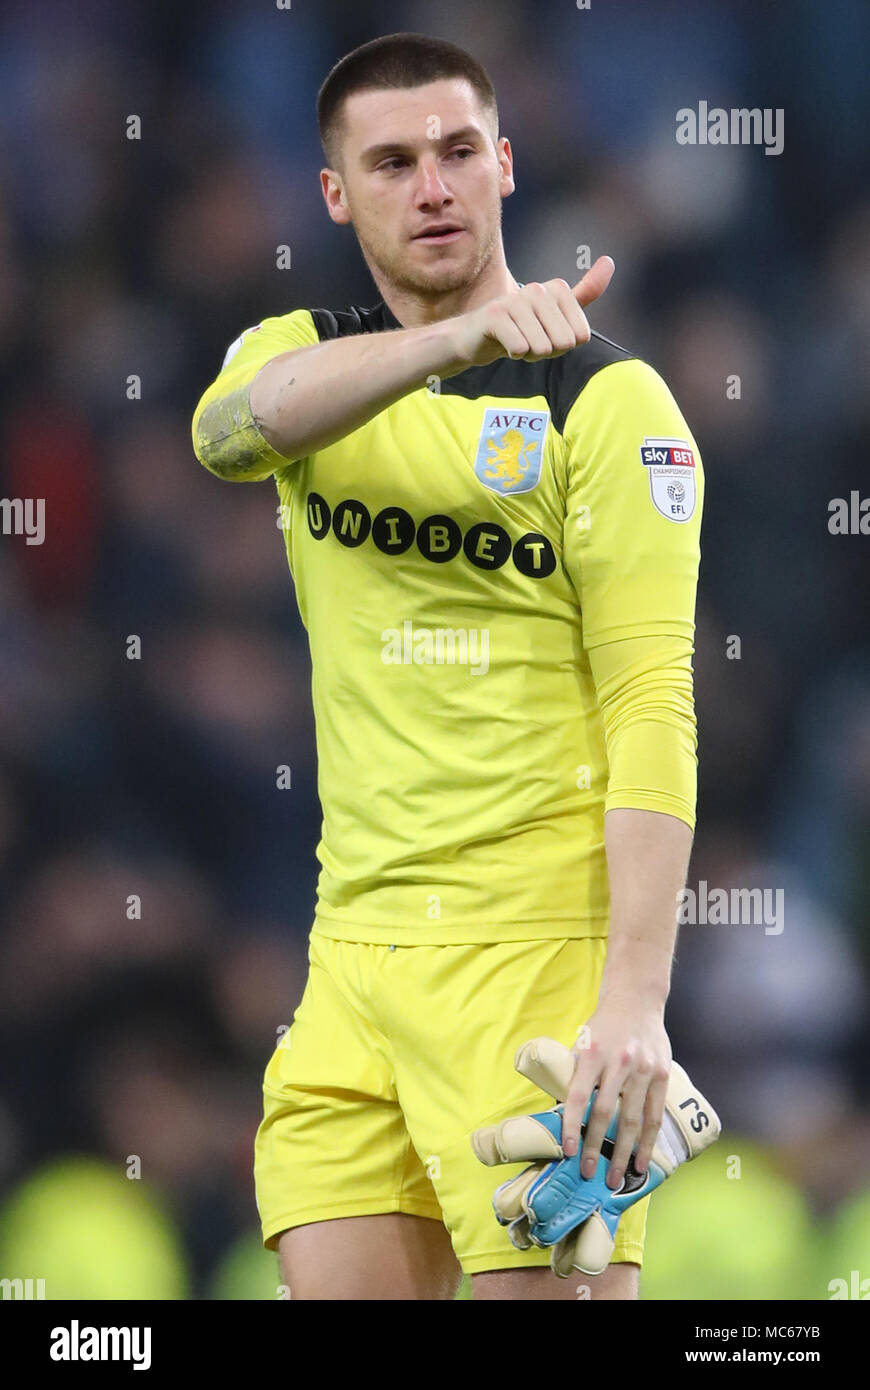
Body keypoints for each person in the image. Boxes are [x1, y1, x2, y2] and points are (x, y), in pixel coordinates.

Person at [191, 31, 704, 1301]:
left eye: (460, 152)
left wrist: (632, 1009)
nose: (432, 185)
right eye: (394, 160)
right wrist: (453, 349)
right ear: (334, 192)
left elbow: (653, 706)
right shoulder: (300, 359)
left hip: (531, 963)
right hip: (351, 959)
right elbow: (224, 432)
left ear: (506, 166)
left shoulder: (610, 405)